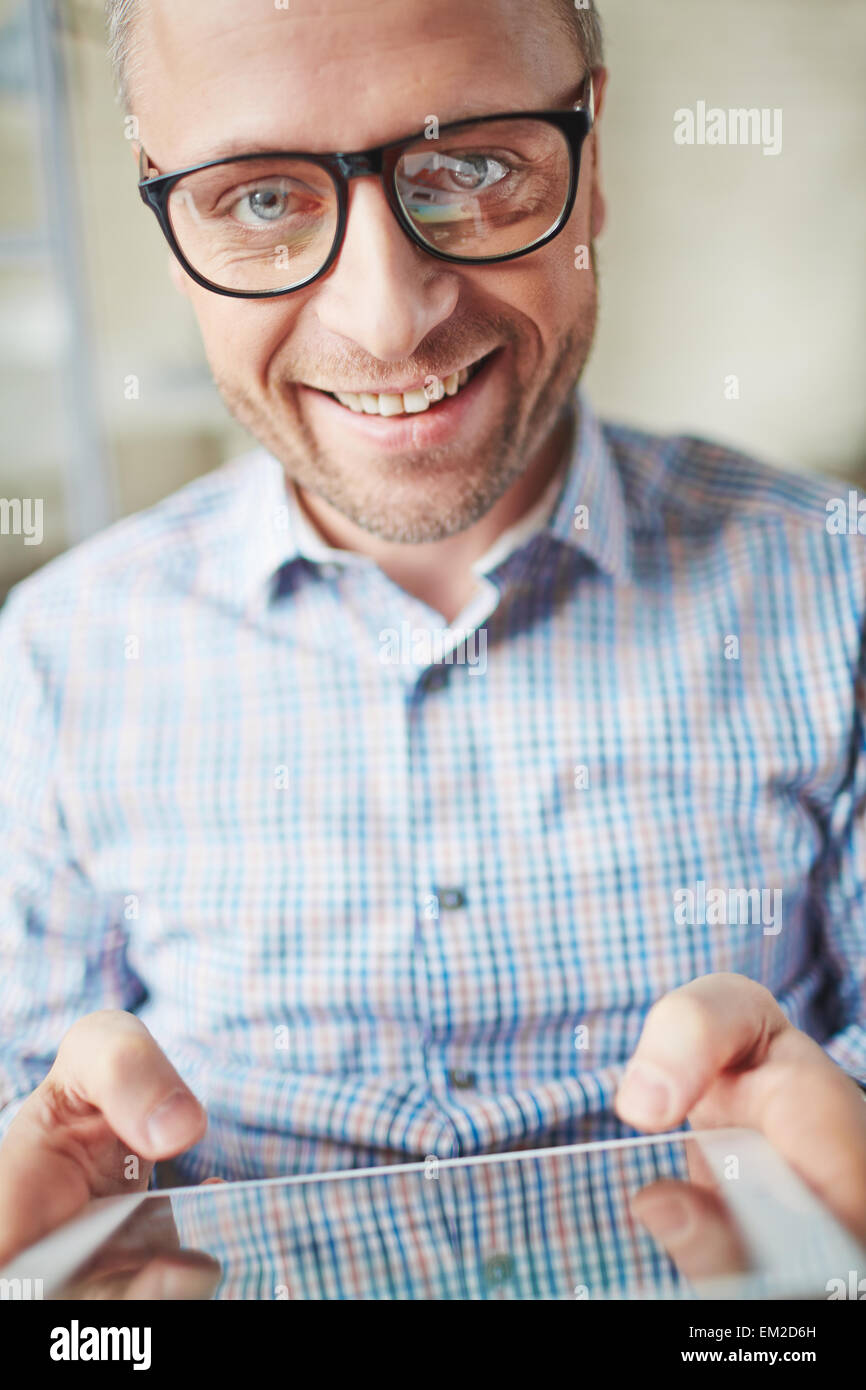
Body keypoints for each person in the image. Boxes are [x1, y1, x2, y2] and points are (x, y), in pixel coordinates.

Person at [1, 0, 864, 1269]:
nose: (386, 320)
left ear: (593, 156)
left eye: (470, 169)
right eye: (256, 200)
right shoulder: (56, 657)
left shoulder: (838, 592)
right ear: (166, 212)